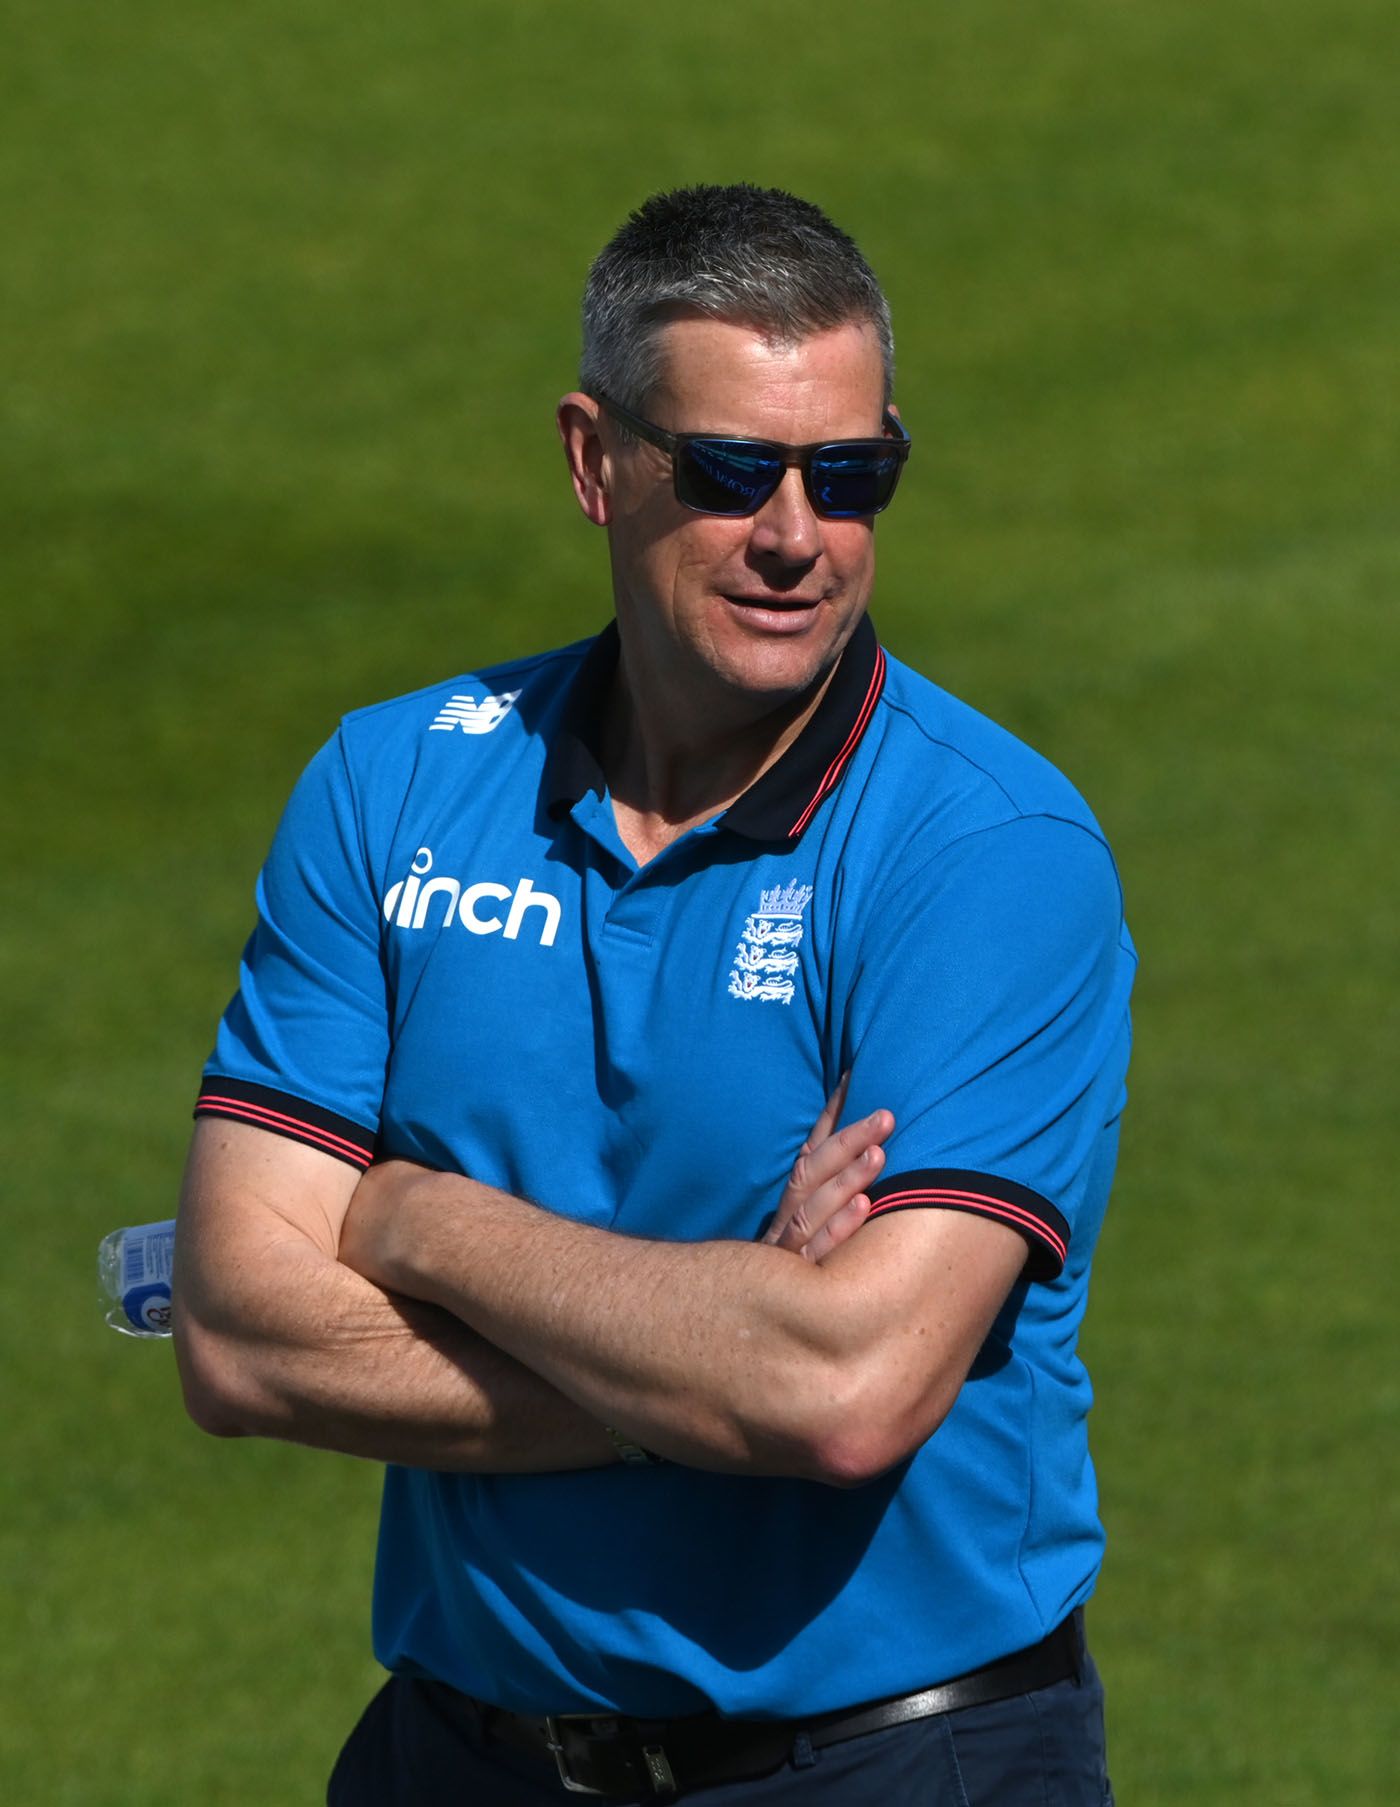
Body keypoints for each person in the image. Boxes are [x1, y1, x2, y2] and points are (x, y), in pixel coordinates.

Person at [173, 184, 1135, 1805]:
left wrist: (421, 1225)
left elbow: (843, 1393)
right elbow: (242, 1337)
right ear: (591, 459)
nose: (795, 534)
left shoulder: (987, 852)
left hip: (890, 1767)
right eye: (731, 470)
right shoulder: (389, 785)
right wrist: (711, 1338)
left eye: (852, 477)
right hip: (460, 1759)